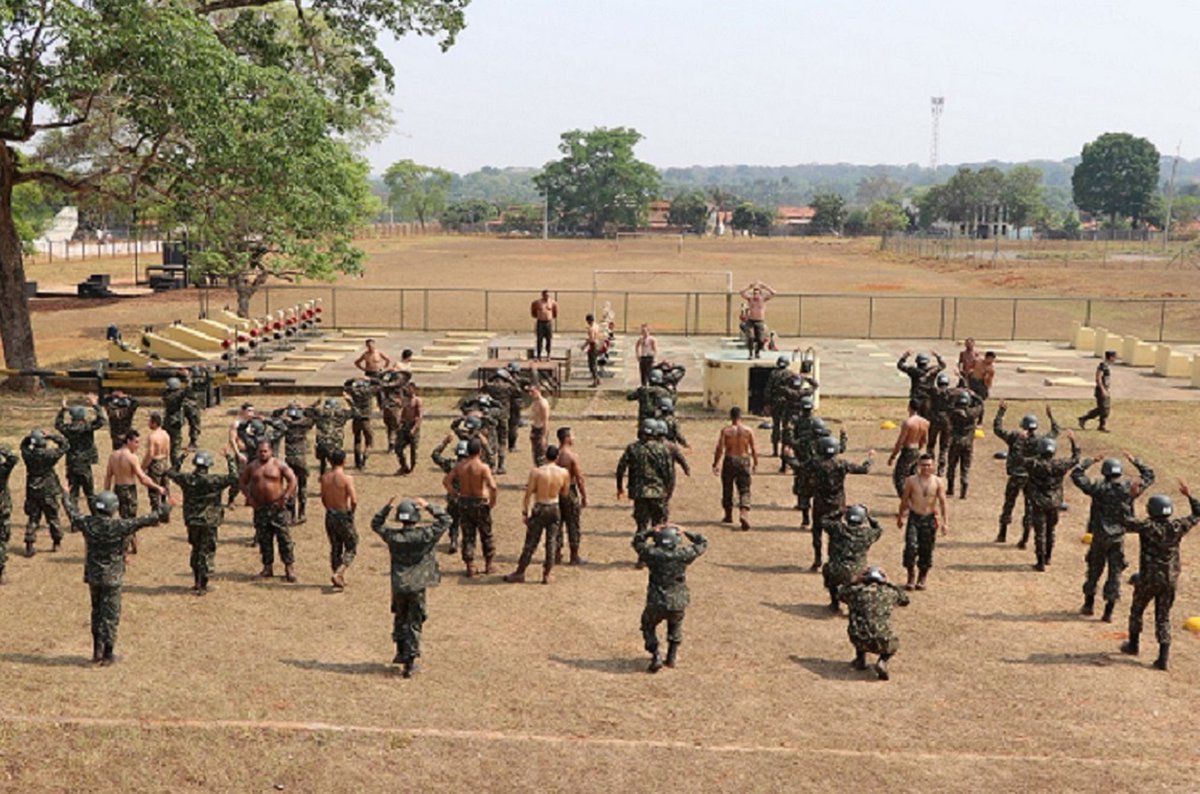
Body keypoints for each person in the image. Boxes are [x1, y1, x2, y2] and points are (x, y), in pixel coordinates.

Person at [63, 491, 168, 665]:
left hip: (93, 576)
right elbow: (148, 519)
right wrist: (167, 506)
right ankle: (108, 654)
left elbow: (72, 513)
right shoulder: (120, 525)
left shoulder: (87, 523)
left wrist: (66, 495)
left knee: (96, 612)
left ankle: (97, 650)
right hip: (112, 577)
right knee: (110, 615)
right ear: (114, 508)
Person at [1119, 483, 1199, 671]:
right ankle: (1163, 658)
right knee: (1163, 617)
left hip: (1148, 578)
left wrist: (1131, 498)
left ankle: (1133, 645)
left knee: (1137, 610)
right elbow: (1197, 514)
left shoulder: (1147, 526)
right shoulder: (1178, 526)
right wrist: (1189, 496)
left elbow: (1125, 519)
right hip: (1170, 580)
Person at [371, 496, 451, 677]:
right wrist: (429, 506)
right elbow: (446, 519)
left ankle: (400, 651)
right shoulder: (425, 535)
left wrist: (387, 507)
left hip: (398, 585)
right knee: (414, 622)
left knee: (400, 617)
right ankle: (410, 662)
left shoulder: (394, 537)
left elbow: (376, 525)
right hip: (417, 585)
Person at [1070, 452, 1154, 621]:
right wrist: (1135, 461)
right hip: (1118, 536)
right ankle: (1108, 612)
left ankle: (1088, 605)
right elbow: (1149, 475)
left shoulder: (1098, 488)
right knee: (1115, 573)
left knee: (1094, 569)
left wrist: (1090, 460)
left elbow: (1076, 474)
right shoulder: (1128, 489)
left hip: (1100, 535)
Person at [632, 524, 707, 673]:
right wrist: (686, 531)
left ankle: (656, 655)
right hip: (678, 601)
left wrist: (650, 531)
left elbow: (637, 541)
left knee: (648, 625)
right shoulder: (683, 555)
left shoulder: (651, 554)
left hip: (656, 600)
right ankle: (671, 657)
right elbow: (702, 543)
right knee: (675, 624)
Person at [166, 449, 238, 594]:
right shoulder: (214, 481)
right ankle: (202, 584)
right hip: (209, 522)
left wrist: (182, 457)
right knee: (206, 552)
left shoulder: (187, 479)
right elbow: (234, 477)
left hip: (192, 521)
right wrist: (229, 459)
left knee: (196, 549)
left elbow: (171, 472)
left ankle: (196, 581)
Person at [992, 401, 1060, 546]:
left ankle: (1002, 533)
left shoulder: (1015, 437)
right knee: (1029, 508)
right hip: (1031, 478)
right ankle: (1024, 538)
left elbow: (997, 429)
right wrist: (1051, 416)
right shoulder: (1041, 440)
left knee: (1009, 504)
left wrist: (1001, 412)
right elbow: (1055, 431)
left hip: (1016, 475)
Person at [504, 446, 571, 584]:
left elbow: (528, 494)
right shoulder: (563, 472)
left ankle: (520, 571)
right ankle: (547, 573)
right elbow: (565, 492)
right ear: (557, 457)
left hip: (540, 506)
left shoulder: (537, 472)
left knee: (531, 542)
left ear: (545, 456)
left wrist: (525, 512)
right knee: (551, 541)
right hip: (554, 506)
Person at [808, 435, 874, 571]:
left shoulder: (816, 463)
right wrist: (870, 459)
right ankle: (833, 559)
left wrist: (789, 457)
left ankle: (817, 559)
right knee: (836, 533)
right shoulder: (842, 464)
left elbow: (800, 466)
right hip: (837, 504)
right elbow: (864, 469)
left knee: (817, 531)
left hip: (820, 503)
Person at [239, 440, 298, 581]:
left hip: (277, 507)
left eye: (265, 451)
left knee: (284, 538)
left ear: (271, 451)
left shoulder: (279, 464)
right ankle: (267, 567)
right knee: (265, 539)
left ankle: (289, 567)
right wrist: (249, 498)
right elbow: (242, 482)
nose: (263, 454)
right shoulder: (252, 466)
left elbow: (293, 479)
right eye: (260, 451)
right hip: (260, 508)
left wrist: (286, 496)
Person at [838, 566, 910, 680]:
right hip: (883, 638)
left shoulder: (856, 592)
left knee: (860, 624)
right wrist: (890, 583)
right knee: (892, 642)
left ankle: (860, 659)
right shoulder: (889, 593)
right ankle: (883, 661)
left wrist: (854, 580)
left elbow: (840, 593)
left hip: (859, 637)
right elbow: (905, 599)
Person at [1024, 433, 1080, 572]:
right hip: (1054, 502)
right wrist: (1073, 441)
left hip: (1038, 502)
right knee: (1051, 530)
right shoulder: (1059, 464)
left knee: (1040, 532)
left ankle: (1040, 561)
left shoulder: (1033, 464)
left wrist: (1022, 440)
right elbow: (1075, 458)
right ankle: (1048, 557)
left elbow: (1019, 458)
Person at [444, 437, 497, 577]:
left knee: (468, 535)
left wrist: (455, 493)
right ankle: (489, 564)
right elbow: (493, 486)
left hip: (465, 502)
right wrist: (492, 502)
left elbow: (446, 482)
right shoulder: (483, 467)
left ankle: (470, 565)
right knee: (486, 534)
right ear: (480, 451)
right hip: (480, 502)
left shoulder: (460, 466)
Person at [897, 453, 948, 590]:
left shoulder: (938, 482)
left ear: (933, 466)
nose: (926, 468)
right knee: (910, 547)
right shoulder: (911, 481)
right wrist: (900, 517)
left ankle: (922, 577)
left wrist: (945, 522)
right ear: (919, 465)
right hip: (914, 517)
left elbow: (943, 502)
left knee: (926, 549)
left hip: (929, 518)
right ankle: (911, 575)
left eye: (929, 465)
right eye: (923, 465)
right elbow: (904, 499)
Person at [616, 419, 673, 537]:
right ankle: (658, 551)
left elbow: (620, 469)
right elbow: (669, 473)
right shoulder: (663, 449)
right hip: (658, 493)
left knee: (641, 527)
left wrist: (620, 487)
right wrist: (668, 491)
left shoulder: (632, 448)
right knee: (659, 526)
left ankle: (641, 551)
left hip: (639, 493)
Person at [823, 505, 883, 612]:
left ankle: (834, 603)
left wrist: (839, 511)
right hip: (857, 572)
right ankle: (853, 604)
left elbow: (824, 520)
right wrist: (869, 516)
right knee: (864, 576)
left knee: (828, 568)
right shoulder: (866, 534)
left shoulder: (837, 528)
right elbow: (878, 529)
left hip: (836, 570)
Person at [104, 431, 167, 528]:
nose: (138, 445)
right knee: (131, 523)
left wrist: (106, 493)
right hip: (129, 492)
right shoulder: (132, 457)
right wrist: (158, 487)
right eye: (136, 442)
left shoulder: (113, 456)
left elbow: (108, 476)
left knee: (123, 520)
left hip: (117, 490)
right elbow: (143, 479)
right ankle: (131, 543)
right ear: (128, 441)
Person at [21, 429, 68, 557]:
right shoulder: (49, 455)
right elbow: (65, 445)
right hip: (48, 489)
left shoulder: (28, 454)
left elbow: (23, 445)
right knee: (52, 517)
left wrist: (30, 437)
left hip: (33, 489)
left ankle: (29, 543)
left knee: (33, 518)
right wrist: (51, 436)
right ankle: (56, 542)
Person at [55, 394, 105, 513]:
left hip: (72, 463)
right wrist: (95, 405)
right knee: (90, 493)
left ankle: (74, 520)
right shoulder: (87, 427)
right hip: (85, 464)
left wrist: (63, 409)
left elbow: (58, 424)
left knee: (73, 494)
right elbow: (101, 420)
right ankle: (96, 516)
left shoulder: (68, 429)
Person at [712, 406, 757, 530]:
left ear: (730, 417)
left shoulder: (726, 431)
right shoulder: (748, 430)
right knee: (744, 489)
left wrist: (715, 463)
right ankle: (744, 512)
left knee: (727, 487)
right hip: (744, 459)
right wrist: (756, 463)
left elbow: (720, 448)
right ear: (740, 416)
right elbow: (753, 448)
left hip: (730, 459)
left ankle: (728, 515)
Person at [320, 449, 358, 590]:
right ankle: (339, 572)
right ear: (344, 461)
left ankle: (337, 575)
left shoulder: (325, 478)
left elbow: (323, 498)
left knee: (335, 546)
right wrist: (351, 513)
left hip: (330, 514)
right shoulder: (347, 479)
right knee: (351, 545)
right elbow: (354, 500)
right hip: (343, 514)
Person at [272, 403, 313, 524]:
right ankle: (302, 513)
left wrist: (284, 408)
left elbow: (274, 416)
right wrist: (305, 408)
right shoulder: (305, 424)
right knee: (303, 486)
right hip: (301, 459)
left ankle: (292, 515)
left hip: (289, 459)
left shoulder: (286, 424)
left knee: (291, 486)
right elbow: (315, 414)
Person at [554, 426, 588, 566]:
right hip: (569, 492)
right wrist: (584, 496)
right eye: (572, 436)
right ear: (567, 438)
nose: (574, 438)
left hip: (555, 492)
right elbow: (579, 478)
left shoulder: (554, 455)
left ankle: (556, 553)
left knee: (557, 524)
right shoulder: (572, 457)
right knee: (573, 524)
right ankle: (574, 556)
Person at [430, 435, 469, 555]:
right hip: (469, 499)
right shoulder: (473, 466)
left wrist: (445, 442)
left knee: (454, 521)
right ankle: (467, 543)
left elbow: (435, 455)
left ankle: (453, 541)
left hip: (453, 498)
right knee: (468, 522)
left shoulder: (450, 465)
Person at [945, 389, 984, 498]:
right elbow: (981, 404)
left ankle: (950, 489)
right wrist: (974, 395)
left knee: (952, 466)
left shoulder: (952, 413)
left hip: (955, 441)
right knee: (965, 467)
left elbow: (947, 403)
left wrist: (953, 395)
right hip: (968, 443)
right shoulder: (972, 413)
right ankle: (963, 493)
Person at [887, 400, 929, 499]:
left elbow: (900, 441)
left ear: (909, 407)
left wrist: (893, 456)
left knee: (899, 477)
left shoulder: (908, 423)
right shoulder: (925, 422)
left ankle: (906, 502)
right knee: (913, 477)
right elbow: (924, 440)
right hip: (916, 450)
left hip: (908, 450)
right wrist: (919, 450)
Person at [484, 368, 521, 475]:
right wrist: (510, 379)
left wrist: (491, 377)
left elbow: (485, 384)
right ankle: (501, 465)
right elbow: (518, 391)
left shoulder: (490, 387)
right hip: (504, 416)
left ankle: (492, 465)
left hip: (492, 415)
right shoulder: (507, 387)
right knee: (502, 440)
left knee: (491, 440)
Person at [309, 397, 352, 476]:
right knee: (335, 464)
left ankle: (322, 477)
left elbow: (307, 411)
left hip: (322, 442)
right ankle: (334, 480)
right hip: (335, 443)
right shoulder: (342, 413)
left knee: (322, 462)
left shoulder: (320, 413)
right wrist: (349, 400)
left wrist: (316, 403)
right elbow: (356, 412)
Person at [896, 350, 946, 419]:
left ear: (917, 362)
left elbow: (900, 365)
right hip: (928, 397)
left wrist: (905, 356)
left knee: (913, 417)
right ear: (927, 362)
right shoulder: (932, 370)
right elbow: (943, 365)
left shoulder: (913, 370)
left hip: (916, 397)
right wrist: (937, 356)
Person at [343, 377, 378, 470]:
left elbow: (346, 384)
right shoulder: (369, 392)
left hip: (356, 419)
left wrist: (353, 379)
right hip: (366, 419)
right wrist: (369, 379)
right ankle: (364, 460)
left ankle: (357, 462)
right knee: (369, 442)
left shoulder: (354, 391)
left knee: (357, 440)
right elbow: (379, 383)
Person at [142, 413, 172, 520]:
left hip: (156, 463)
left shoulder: (152, 436)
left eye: (149, 421)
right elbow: (168, 451)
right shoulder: (166, 434)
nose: (148, 423)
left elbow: (150, 454)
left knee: (154, 489)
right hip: (165, 461)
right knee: (165, 487)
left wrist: (143, 467)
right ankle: (165, 512)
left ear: (154, 423)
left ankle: (155, 515)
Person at [1079, 350, 1116, 432]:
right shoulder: (1102, 366)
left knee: (1104, 408)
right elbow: (1098, 378)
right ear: (1110, 357)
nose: (1115, 359)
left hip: (1105, 389)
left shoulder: (1107, 366)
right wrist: (1102, 389)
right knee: (1103, 409)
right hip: (1101, 390)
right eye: (1114, 357)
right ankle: (1085, 419)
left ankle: (1100, 425)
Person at [738, 281, 776, 359]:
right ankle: (750, 354)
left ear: (760, 294)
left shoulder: (763, 299)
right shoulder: (750, 299)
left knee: (761, 339)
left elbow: (774, 293)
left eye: (757, 293)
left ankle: (757, 352)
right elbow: (741, 293)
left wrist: (765, 286)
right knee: (751, 337)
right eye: (754, 293)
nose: (755, 295)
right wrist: (749, 287)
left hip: (760, 321)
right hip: (751, 321)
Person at [765, 356, 793, 459]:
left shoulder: (773, 374)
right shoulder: (790, 374)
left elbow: (768, 389)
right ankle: (785, 450)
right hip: (787, 403)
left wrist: (767, 403)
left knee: (776, 425)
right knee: (786, 427)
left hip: (775, 402)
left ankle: (775, 451)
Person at [0, 445, 20, 583]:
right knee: (2, 538)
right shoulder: (2, 471)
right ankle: (1, 569)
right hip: (2, 508)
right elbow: (13, 458)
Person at [395, 382, 423, 475]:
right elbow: (403, 413)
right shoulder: (405, 400)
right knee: (398, 447)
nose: (409, 390)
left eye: (410, 389)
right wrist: (400, 423)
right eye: (408, 389)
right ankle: (404, 466)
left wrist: (414, 428)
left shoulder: (417, 400)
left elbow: (419, 416)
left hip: (413, 425)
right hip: (405, 426)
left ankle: (412, 468)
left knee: (413, 450)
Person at [161, 377, 187, 469]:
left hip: (167, 421)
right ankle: (176, 466)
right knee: (175, 446)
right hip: (175, 422)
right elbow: (186, 393)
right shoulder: (177, 395)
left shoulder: (166, 394)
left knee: (165, 444)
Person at [531, 290, 558, 360]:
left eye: (548, 295)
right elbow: (533, 311)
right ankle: (539, 355)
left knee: (548, 339)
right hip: (540, 323)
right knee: (539, 339)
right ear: (542, 295)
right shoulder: (538, 302)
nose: (547, 296)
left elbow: (555, 312)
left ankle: (548, 354)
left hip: (548, 323)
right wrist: (539, 316)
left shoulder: (552, 302)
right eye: (545, 295)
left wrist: (549, 317)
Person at [529, 384, 550, 467]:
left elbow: (545, 421)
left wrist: (544, 436)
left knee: (541, 454)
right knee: (535, 453)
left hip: (541, 429)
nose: (530, 394)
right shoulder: (535, 402)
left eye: (532, 391)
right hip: (535, 428)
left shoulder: (543, 403)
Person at [581, 313, 602, 387]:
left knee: (591, 364)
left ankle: (595, 380)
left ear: (589, 321)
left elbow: (591, 339)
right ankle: (598, 379)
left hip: (593, 346)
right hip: (597, 344)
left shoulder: (591, 329)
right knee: (595, 363)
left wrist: (584, 345)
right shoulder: (596, 326)